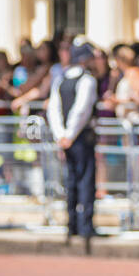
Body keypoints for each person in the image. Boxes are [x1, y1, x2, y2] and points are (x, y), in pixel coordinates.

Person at [48, 40, 100, 252]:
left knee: (71, 180)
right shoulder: (86, 80)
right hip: (80, 137)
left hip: (67, 137)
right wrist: (68, 135)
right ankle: (84, 225)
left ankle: (72, 224)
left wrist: (60, 134)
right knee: (84, 180)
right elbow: (82, 109)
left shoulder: (61, 80)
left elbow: (54, 109)